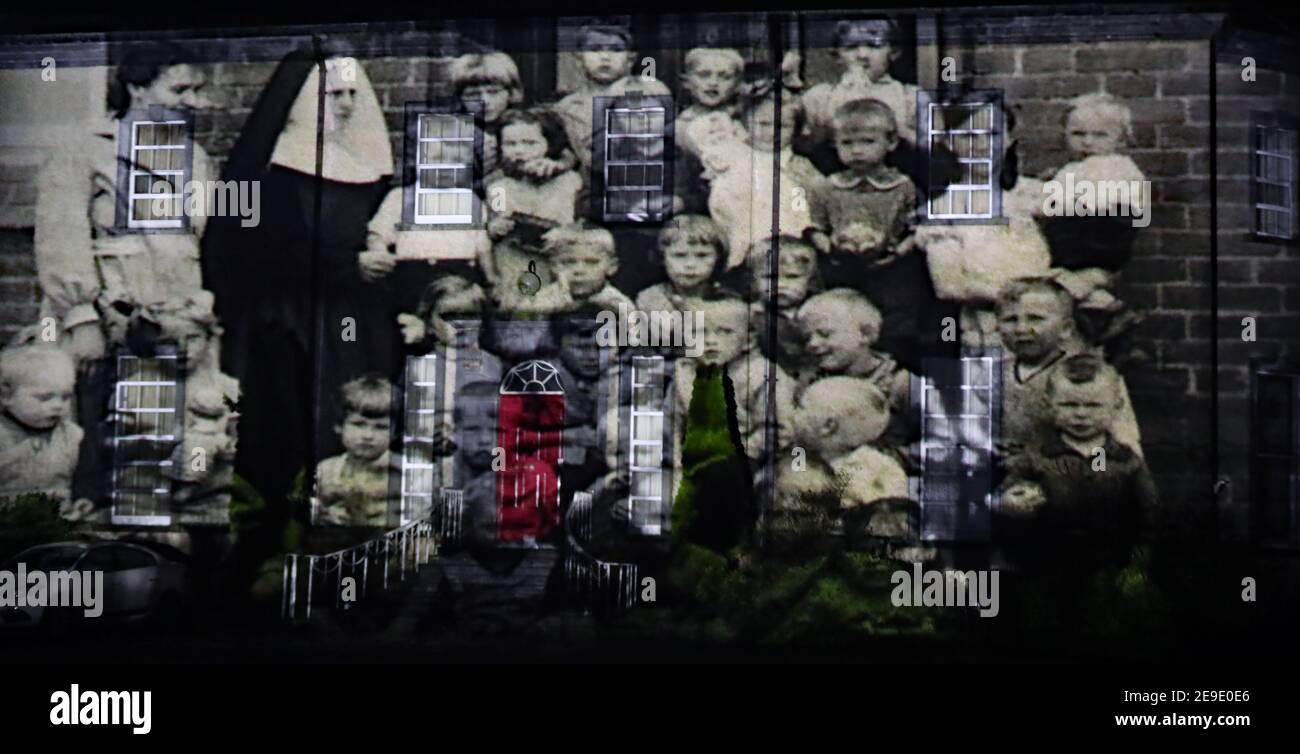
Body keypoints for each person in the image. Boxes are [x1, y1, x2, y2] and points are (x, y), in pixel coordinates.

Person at [202, 50, 395, 505]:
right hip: (285, 318)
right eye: (333, 94)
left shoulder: (366, 166)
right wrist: (346, 266)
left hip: (351, 318)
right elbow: (251, 253)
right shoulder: (268, 171)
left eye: (352, 94)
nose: (346, 104)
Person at [998, 354, 1157, 542]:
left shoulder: (1124, 460)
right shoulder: (1036, 457)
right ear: (1048, 405)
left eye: (1093, 405)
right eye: (1069, 405)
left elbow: (1148, 515)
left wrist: (1136, 565)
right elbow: (1006, 494)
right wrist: (1008, 502)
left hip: (1110, 561)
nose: (1081, 414)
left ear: (1117, 406)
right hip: (1047, 559)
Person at [708, 89, 825, 271]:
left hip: (788, 239)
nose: (771, 133)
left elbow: (804, 208)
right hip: (741, 238)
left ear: (796, 129)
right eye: (763, 124)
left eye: (782, 126)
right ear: (746, 124)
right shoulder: (732, 159)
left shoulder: (798, 166)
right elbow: (721, 204)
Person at [808, 98, 916, 288]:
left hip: (891, 271)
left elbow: (915, 230)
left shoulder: (903, 186)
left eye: (867, 142)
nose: (857, 151)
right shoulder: (827, 187)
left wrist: (897, 253)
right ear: (835, 144)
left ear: (891, 142)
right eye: (847, 143)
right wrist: (830, 249)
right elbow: (815, 227)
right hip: (839, 269)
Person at [484, 109, 583, 311]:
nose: (519, 151)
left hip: (555, 263)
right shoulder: (499, 187)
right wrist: (496, 227)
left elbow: (580, 222)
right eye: (510, 144)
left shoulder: (569, 182)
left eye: (530, 143)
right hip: (514, 263)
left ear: (549, 145)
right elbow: (496, 216)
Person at [793, 375, 909, 508]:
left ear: (828, 426)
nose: (793, 413)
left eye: (801, 407)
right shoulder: (799, 452)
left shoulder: (878, 473)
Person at [0, 344, 83, 506]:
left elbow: (89, 479)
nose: (58, 405)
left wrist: (84, 499)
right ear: (6, 397)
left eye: (65, 397)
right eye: (45, 398)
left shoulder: (72, 436)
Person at [315, 376, 395, 527]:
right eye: (359, 424)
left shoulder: (404, 473)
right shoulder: (325, 470)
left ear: (394, 432)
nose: (368, 436)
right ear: (339, 426)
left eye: (380, 427)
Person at [520, 223, 633, 313]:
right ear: (554, 266)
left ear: (612, 267)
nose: (579, 270)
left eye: (591, 262)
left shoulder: (620, 303)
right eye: (568, 262)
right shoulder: (538, 302)